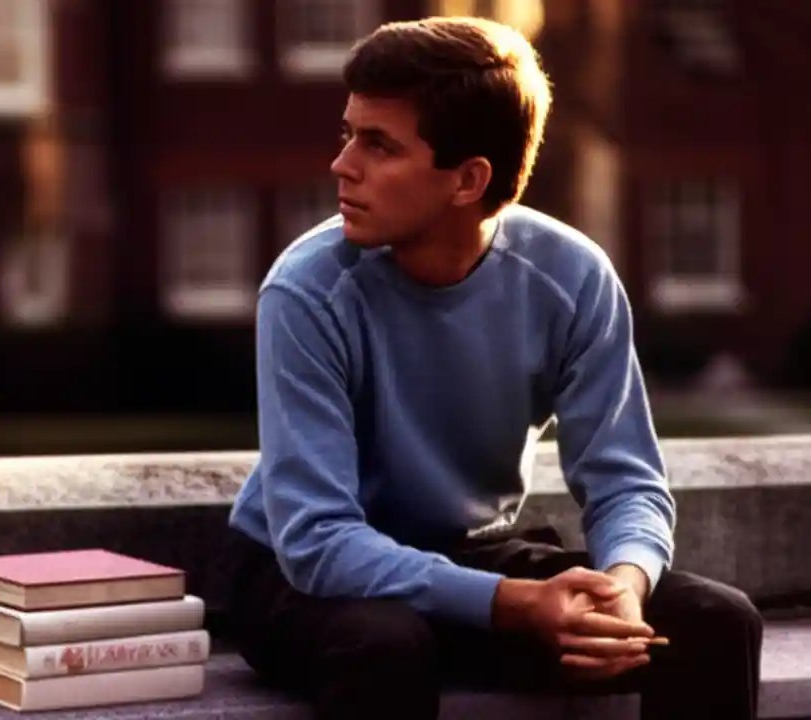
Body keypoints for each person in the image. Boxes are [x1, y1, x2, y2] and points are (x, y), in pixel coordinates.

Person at [226, 16, 762, 720]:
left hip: (470, 557)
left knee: (715, 621)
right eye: (348, 134)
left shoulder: (572, 278)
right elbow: (318, 539)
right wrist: (514, 603)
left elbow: (627, 481)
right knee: (386, 647)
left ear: (468, 179)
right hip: (302, 576)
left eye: (379, 145)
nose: (343, 164)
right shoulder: (306, 290)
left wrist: (623, 589)